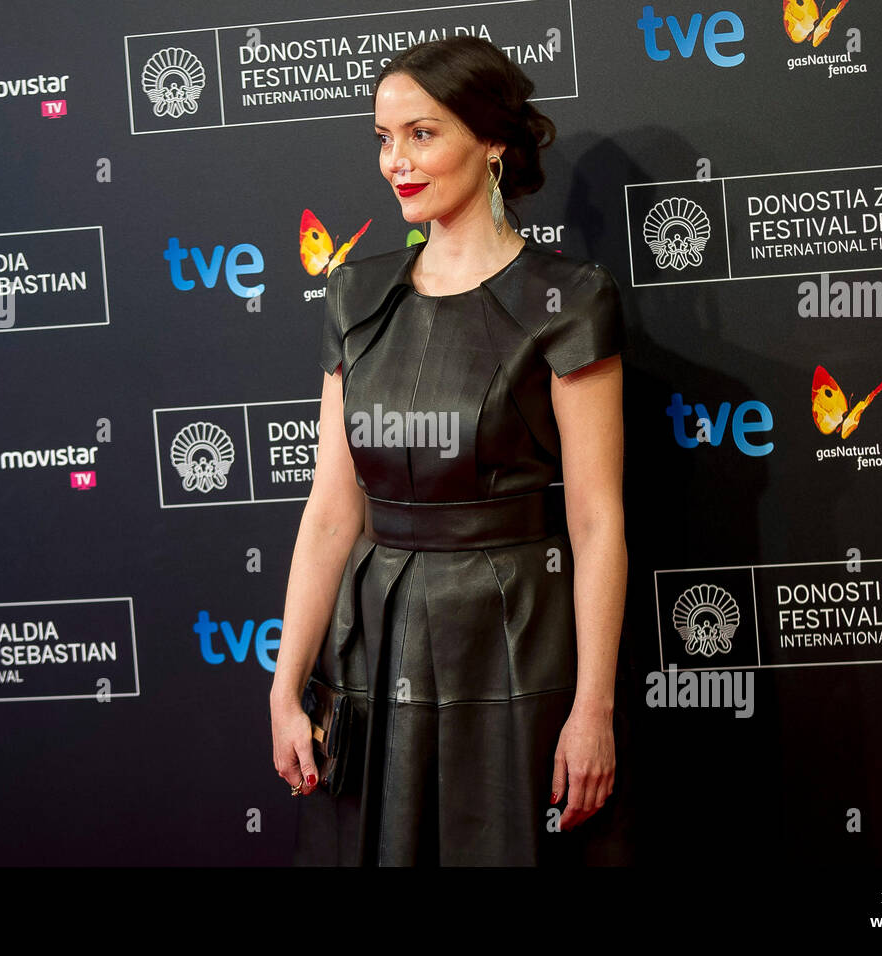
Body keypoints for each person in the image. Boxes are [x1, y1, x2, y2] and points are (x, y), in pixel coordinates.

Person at [269, 35, 628, 866]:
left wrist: (594, 708)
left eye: (422, 135)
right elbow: (331, 508)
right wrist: (286, 686)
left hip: (513, 638)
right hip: (373, 640)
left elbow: (597, 517)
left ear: (491, 142)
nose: (397, 161)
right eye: (384, 139)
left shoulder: (567, 301)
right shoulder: (356, 294)